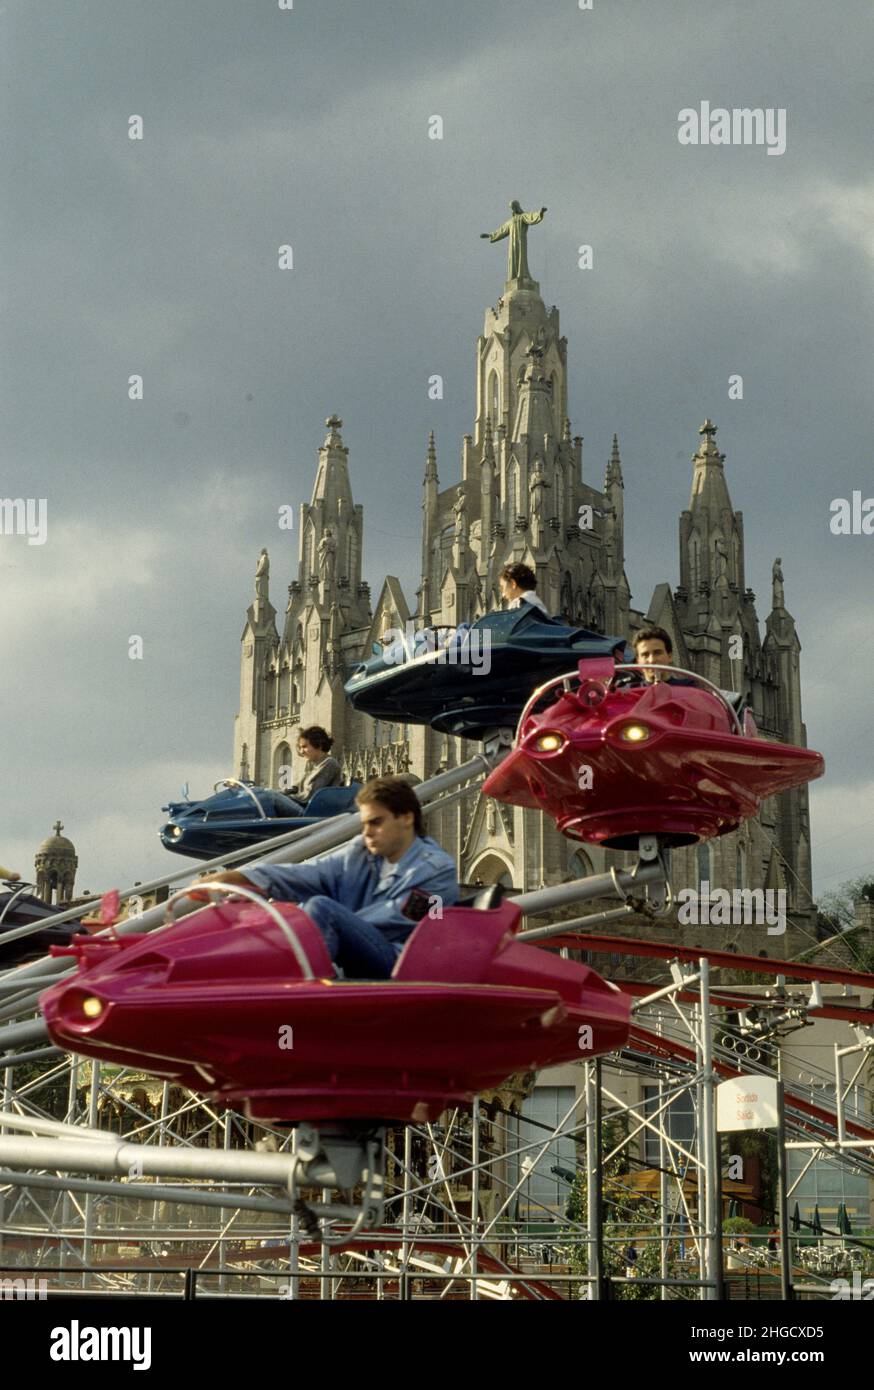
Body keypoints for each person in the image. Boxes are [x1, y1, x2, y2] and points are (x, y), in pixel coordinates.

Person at [191, 776, 459, 979]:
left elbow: (394, 922)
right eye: (364, 824)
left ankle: (294, 993)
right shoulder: (360, 854)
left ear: (406, 818)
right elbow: (307, 874)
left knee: (319, 908)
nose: (367, 832)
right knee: (305, 910)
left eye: (376, 822)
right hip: (351, 959)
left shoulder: (436, 871)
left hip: (400, 968)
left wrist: (317, 924)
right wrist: (238, 877)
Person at [281, 727, 343, 811]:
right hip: (301, 806)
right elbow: (297, 787)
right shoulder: (311, 764)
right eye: (300, 747)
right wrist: (280, 793)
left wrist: (281, 798)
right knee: (265, 794)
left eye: (304, 746)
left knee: (268, 797)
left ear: (319, 745)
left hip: (309, 811)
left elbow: (308, 797)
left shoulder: (329, 764)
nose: (302, 751)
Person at [627, 626, 697, 686]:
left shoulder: (687, 688)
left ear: (669, 656)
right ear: (638, 660)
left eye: (657, 653)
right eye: (645, 655)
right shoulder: (629, 692)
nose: (652, 660)